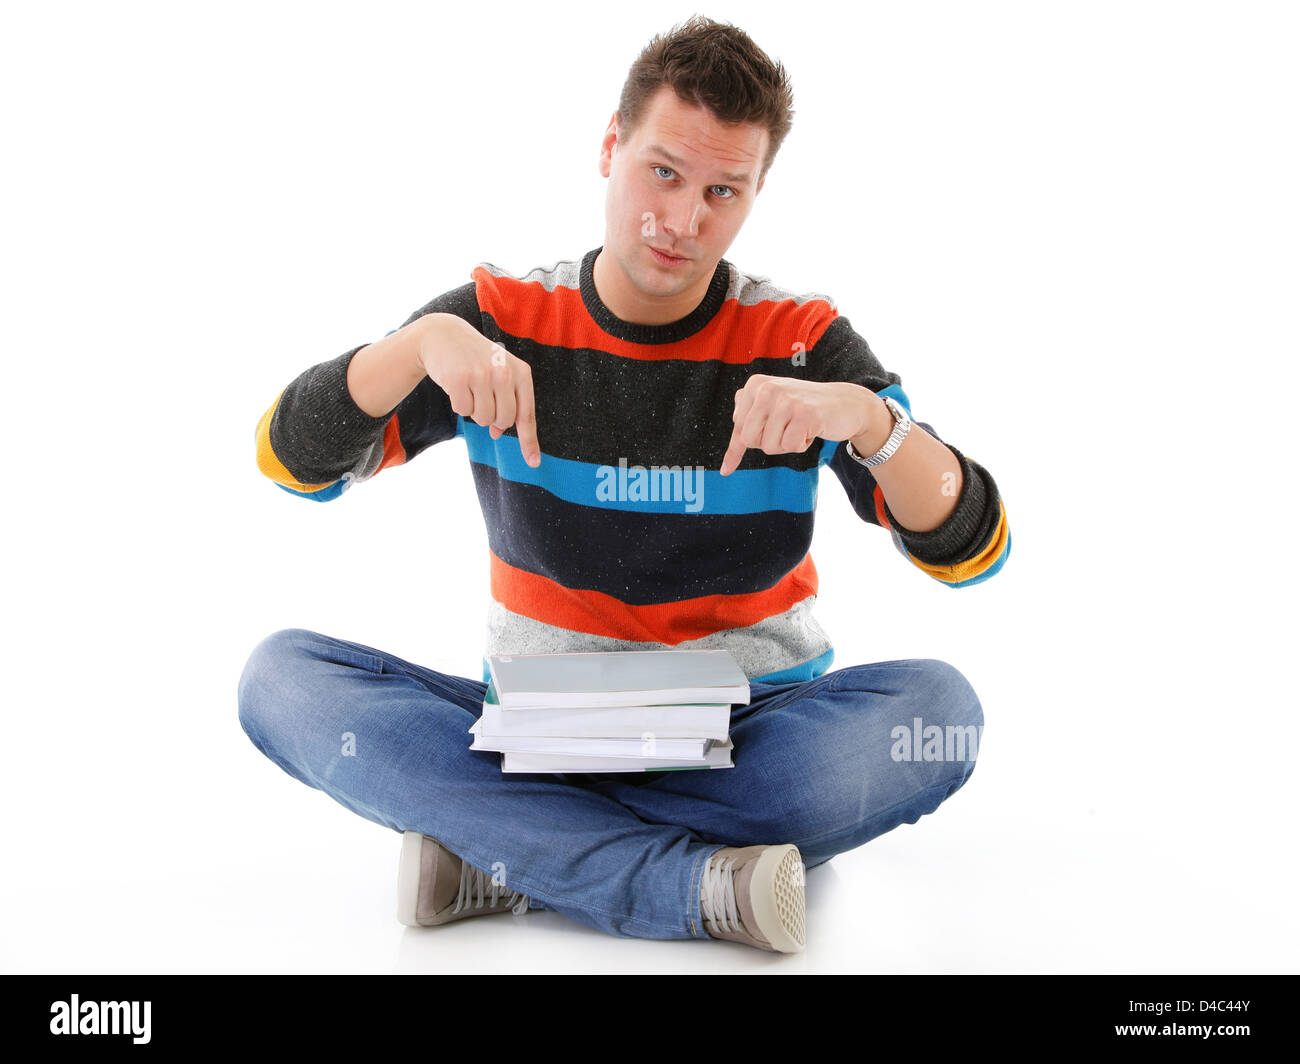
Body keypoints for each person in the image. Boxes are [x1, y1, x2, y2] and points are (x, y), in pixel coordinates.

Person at [237, 15, 1010, 954]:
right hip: (543, 730)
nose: (684, 220)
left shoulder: (802, 342)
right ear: (611, 145)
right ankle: (688, 886)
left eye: (724, 190)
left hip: (750, 734)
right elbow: (290, 459)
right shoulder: (496, 320)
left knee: (942, 714)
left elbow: (972, 549)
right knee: (280, 680)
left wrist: (873, 423)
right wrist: (410, 349)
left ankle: (508, 857)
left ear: (757, 193)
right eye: (664, 172)